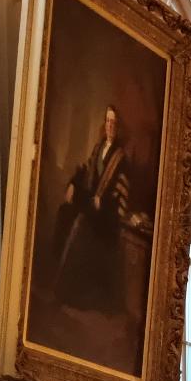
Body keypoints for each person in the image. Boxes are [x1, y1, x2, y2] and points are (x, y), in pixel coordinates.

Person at [48, 105, 133, 317]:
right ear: (104, 124)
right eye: (108, 121)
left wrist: (102, 203)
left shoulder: (121, 158)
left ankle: (65, 293)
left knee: (80, 227)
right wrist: (73, 184)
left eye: (114, 122)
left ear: (118, 126)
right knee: (64, 212)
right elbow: (85, 170)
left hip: (105, 215)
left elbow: (121, 195)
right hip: (90, 203)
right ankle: (55, 278)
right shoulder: (98, 148)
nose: (110, 126)